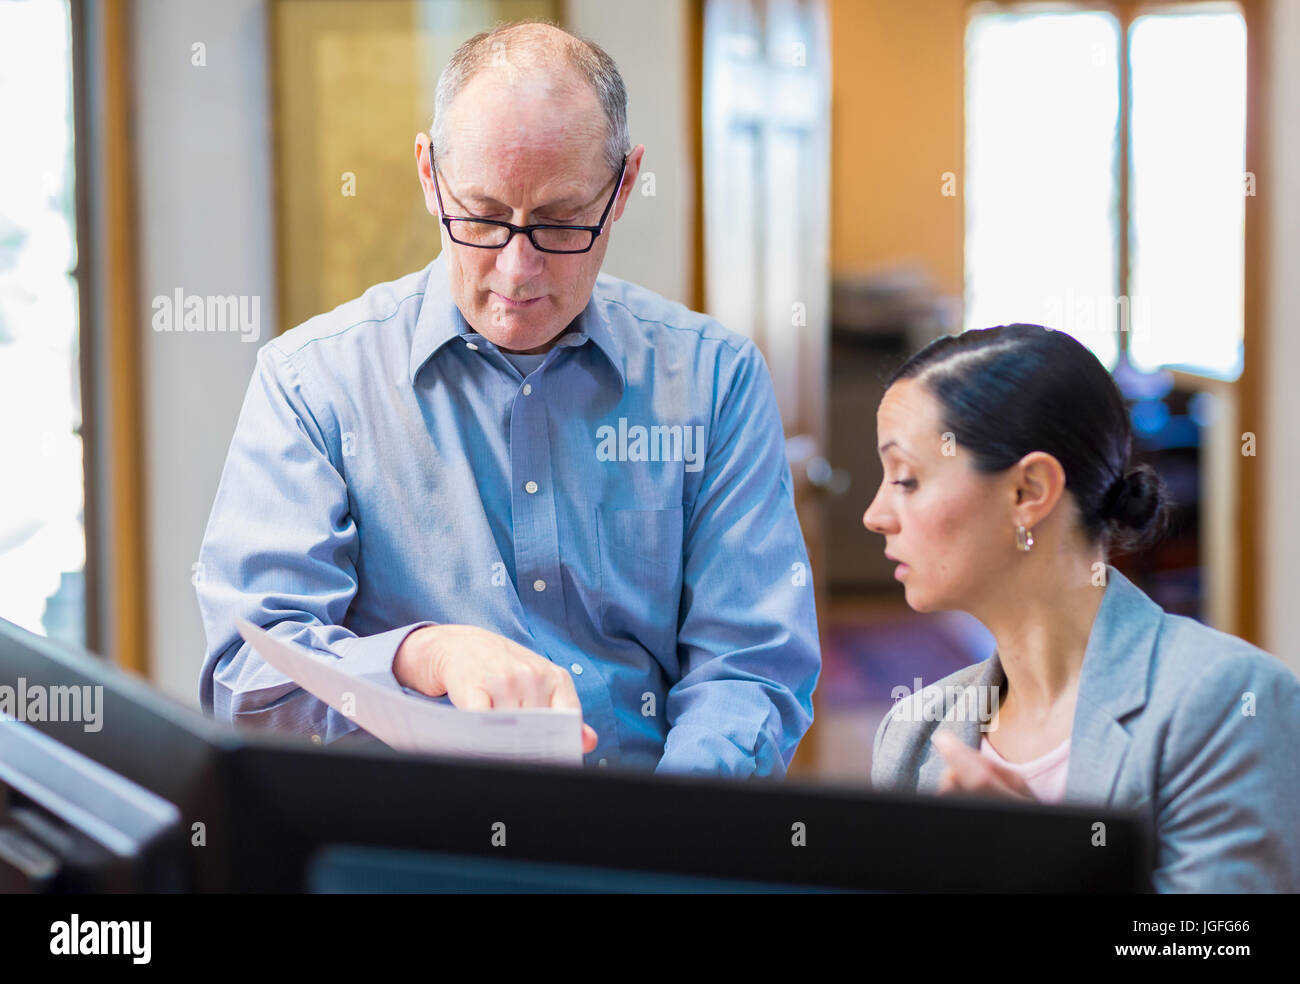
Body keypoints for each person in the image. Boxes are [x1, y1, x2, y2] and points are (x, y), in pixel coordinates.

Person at [195, 21, 820, 778]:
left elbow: (750, 668)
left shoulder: (714, 382)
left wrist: (664, 834)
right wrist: (419, 654)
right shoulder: (311, 384)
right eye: (485, 217)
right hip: (410, 850)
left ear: (623, 186)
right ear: (429, 175)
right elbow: (246, 675)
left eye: (559, 223)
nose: (518, 269)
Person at [865, 323, 1300, 891]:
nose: (876, 513)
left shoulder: (1224, 700)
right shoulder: (912, 734)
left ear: (1029, 492)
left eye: (906, 479)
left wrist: (1053, 865)